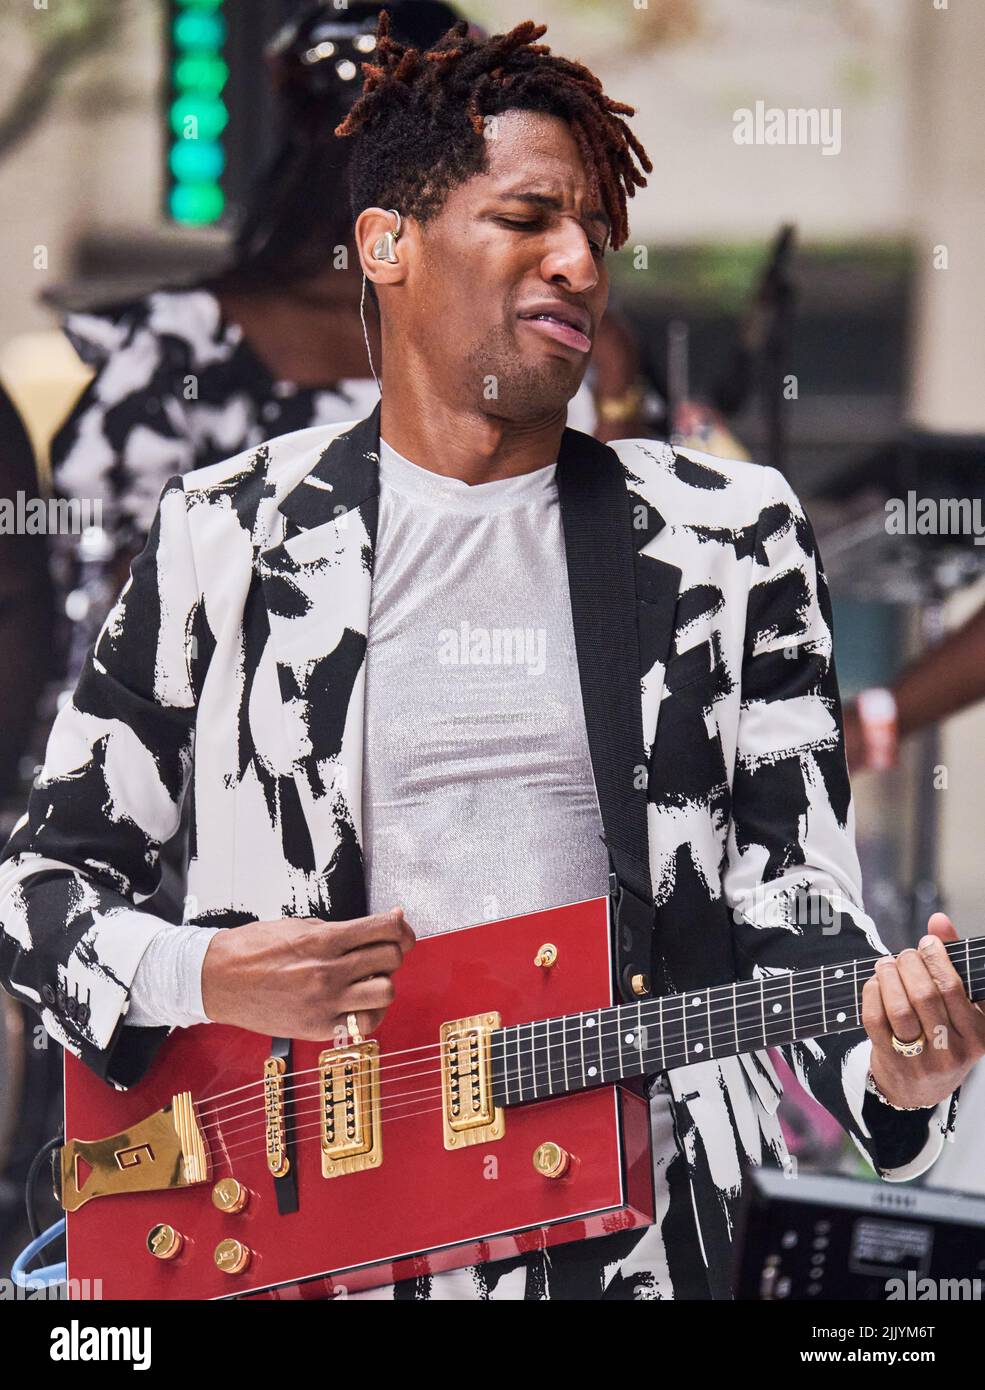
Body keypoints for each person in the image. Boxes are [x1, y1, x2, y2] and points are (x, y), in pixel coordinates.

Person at [0, 15, 979, 1302]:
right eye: (528, 218)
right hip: (299, 1241)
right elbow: (40, 887)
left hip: (637, 1246)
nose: (578, 260)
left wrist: (896, 1079)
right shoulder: (227, 533)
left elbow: (794, 917)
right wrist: (209, 973)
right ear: (387, 245)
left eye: (593, 232)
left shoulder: (728, 543)